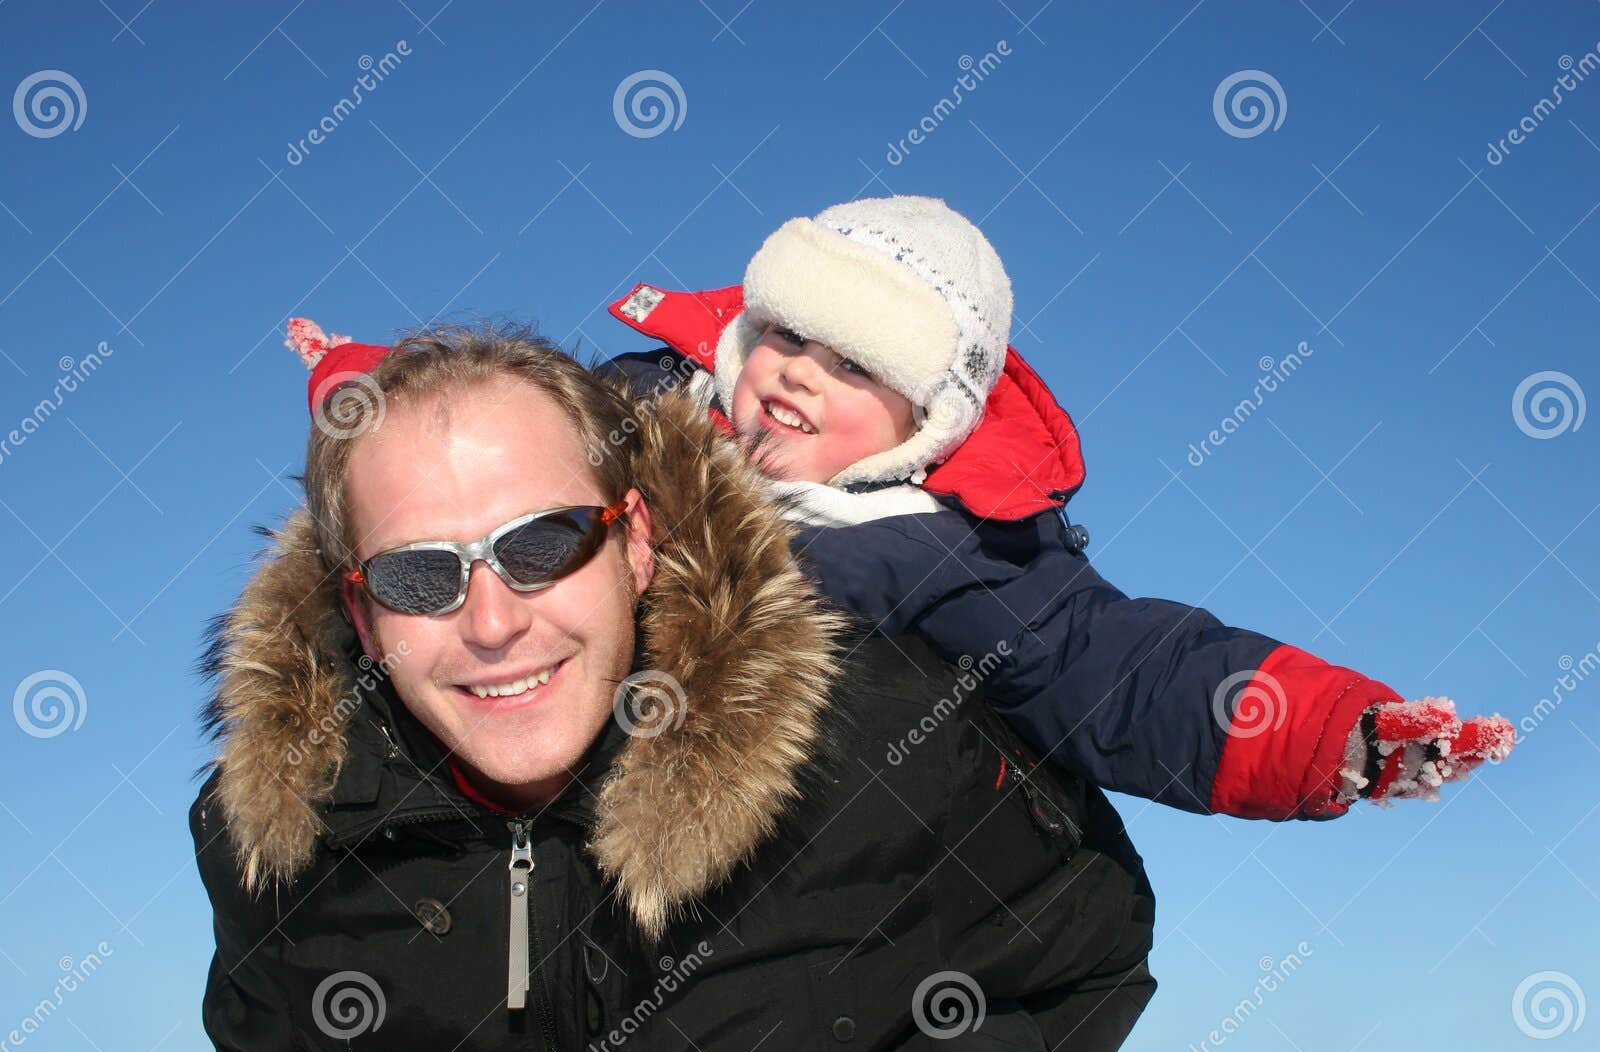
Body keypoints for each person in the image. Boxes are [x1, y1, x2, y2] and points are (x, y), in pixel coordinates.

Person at [189, 319, 1156, 1052]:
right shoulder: (276, 845)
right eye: (416, 575)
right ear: (361, 615)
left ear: (636, 541)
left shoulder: (889, 738)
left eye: (542, 544)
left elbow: (1082, 948)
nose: (491, 623)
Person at [605, 194, 1514, 822]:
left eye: (854, 364)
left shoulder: (949, 549)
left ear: (925, 422)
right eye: (788, 335)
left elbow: (1119, 669)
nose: (800, 369)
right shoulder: (635, 412)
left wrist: (1327, 732)